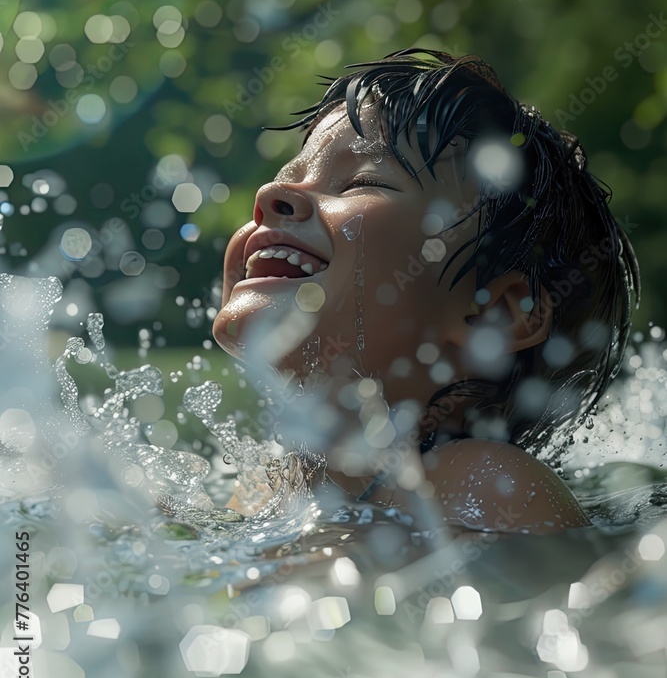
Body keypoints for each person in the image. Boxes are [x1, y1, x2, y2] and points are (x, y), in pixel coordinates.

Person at [212, 49, 640, 534]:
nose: (270, 196)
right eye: (290, 177)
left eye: (363, 181)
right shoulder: (264, 492)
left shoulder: (486, 484)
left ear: (494, 313)